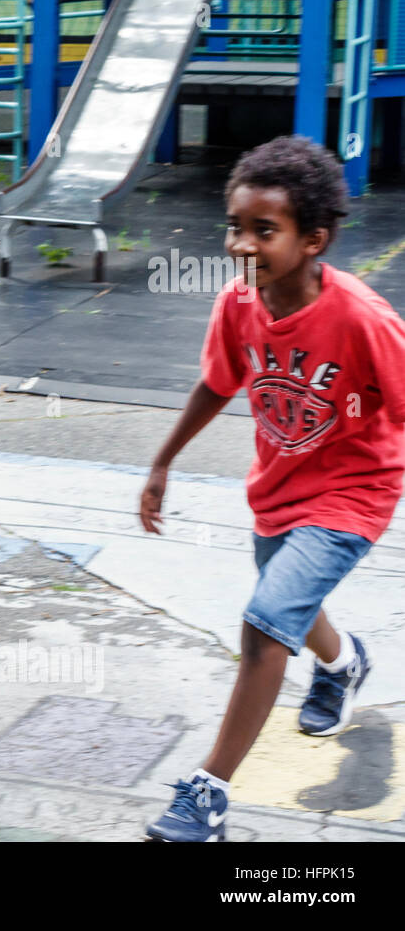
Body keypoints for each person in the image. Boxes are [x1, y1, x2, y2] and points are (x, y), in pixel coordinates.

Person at [140, 136, 405, 841]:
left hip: (356, 492)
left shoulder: (362, 319)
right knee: (289, 601)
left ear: (313, 238)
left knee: (266, 618)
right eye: (235, 226)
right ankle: (344, 663)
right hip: (280, 488)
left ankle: (208, 792)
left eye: (264, 230)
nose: (240, 245)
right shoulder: (239, 304)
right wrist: (164, 460)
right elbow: (217, 382)